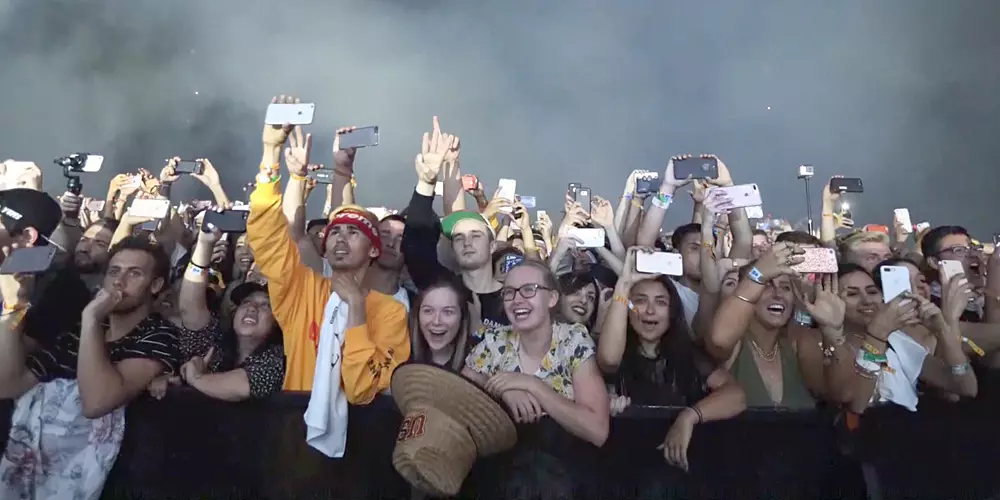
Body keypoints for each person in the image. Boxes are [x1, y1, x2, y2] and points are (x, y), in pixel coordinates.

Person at [248, 102, 408, 457]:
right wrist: (270, 154)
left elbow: (361, 388)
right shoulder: (301, 289)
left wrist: (356, 310)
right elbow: (268, 239)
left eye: (354, 233)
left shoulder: (392, 314)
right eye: (335, 232)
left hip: (362, 452)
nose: (339, 238)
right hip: (291, 439)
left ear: (372, 250)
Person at [0, 235, 182, 499]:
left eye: (134, 273)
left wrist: (91, 319)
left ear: (155, 285)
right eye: (114, 272)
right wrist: (14, 308)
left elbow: (96, 403)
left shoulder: (158, 334)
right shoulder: (78, 332)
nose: (119, 281)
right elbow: (8, 385)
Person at [462, 260, 610, 447]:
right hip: (506, 465)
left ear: (552, 298)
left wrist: (532, 385)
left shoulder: (573, 341)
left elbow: (597, 430)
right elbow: (463, 386)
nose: (517, 300)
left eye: (529, 289)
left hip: (563, 466)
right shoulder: (496, 340)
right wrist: (503, 390)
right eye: (509, 292)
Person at [174, 224, 285, 401]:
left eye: (265, 305)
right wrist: (204, 245)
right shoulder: (215, 345)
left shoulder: (279, 358)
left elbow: (242, 386)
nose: (252, 308)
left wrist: (195, 379)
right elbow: (190, 308)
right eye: (247, 302)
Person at [408, 275, 473, 371]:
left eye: (448, 312)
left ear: (462, 317)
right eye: (428, 311)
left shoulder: (476, 365)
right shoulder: (401, 356)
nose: (436, 321)